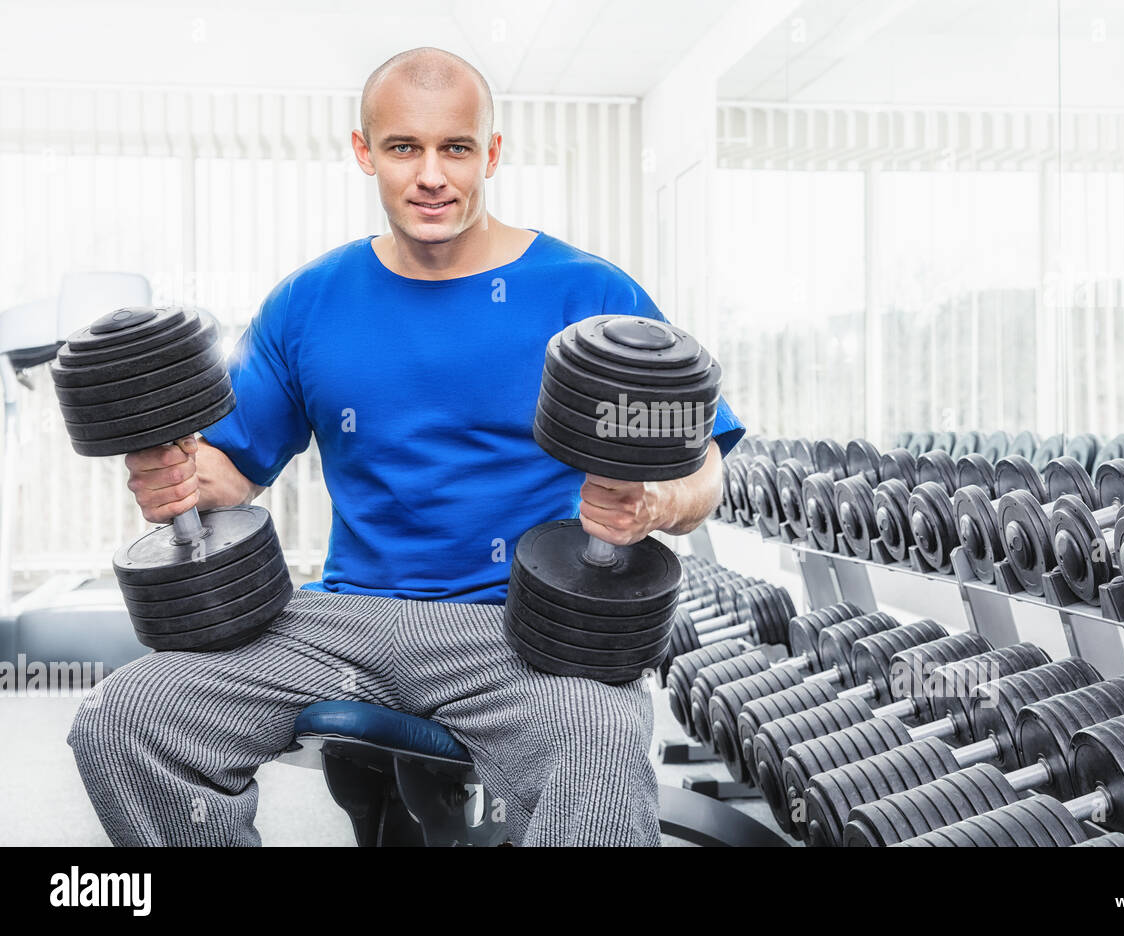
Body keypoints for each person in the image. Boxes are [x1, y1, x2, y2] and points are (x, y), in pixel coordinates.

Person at [66, 47, 743, 847]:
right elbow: (231, 469)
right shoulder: (309, 301)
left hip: (515, 631)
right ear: (365, 152)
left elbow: (703, 466)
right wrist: (171, 473)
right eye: (403, 148)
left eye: (455, 148)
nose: (431, 176)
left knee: (599, 736)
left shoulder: (587, 293)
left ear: (491, 153)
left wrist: (654, 502)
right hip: (339, 619)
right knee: (126, 717)